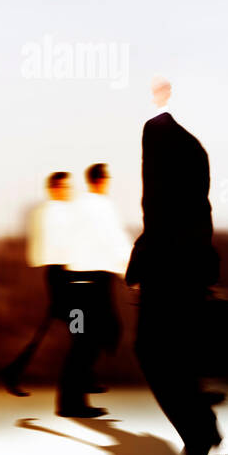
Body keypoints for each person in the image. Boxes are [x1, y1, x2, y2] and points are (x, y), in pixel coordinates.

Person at [126, 78, 223, 455]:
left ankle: (199, 430)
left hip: (166, 272)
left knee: (153, 352)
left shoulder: (160, 146)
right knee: (174, 352)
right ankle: (202, 422)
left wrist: (138, 263)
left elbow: (158, 217)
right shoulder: (195, 153)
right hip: (193, 268)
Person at [0, 172, 76, 397]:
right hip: (61, 274)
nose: (68, 190)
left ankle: (14, 372)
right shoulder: (54, 213)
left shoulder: (55, 213)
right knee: (77, 330)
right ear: (53, 188)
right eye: (64, 186)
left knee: (60, 327)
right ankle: (77, 381)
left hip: (60, 273)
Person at [70, 162, 133, 391]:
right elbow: (114, 240)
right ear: (104, 180)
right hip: (97, 277)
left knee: (83, 333)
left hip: (77, 277)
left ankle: (82, 380)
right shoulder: (103, 206)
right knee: (102, 330)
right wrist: (129, 271)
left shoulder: (79, 205)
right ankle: (81, 382)